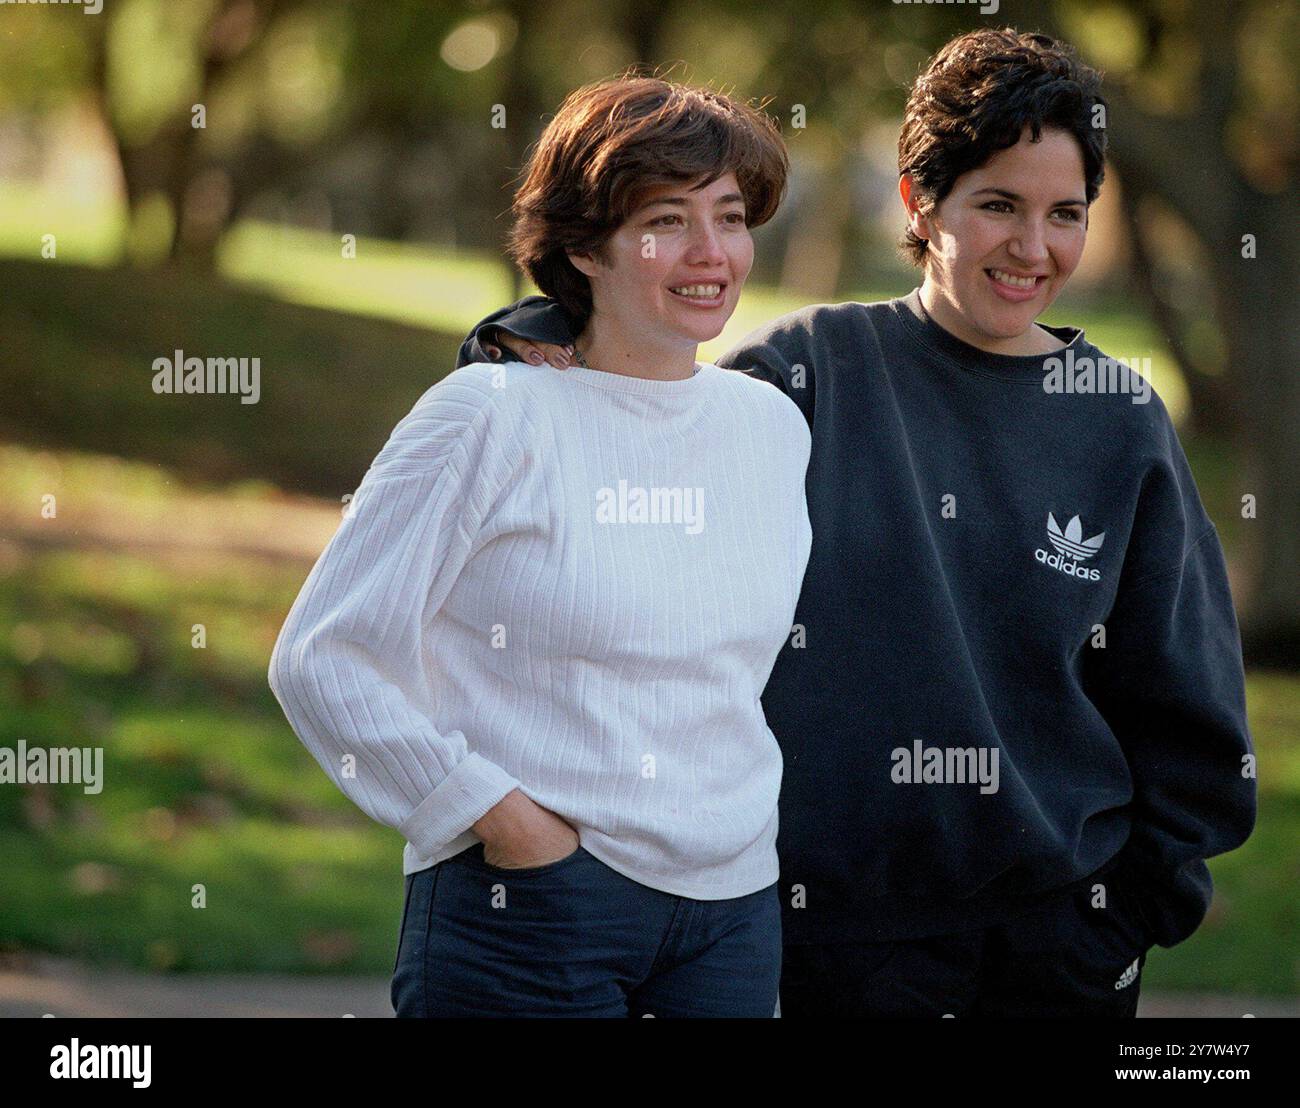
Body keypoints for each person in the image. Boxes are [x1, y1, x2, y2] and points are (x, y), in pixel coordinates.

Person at [457, 29, 1257, 1017]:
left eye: (1066, 214)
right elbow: (617, 456)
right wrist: (532, 336)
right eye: (998, 205)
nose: (1033, 247)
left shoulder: (1118, 419)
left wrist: (1114, 927)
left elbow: (1191, 717)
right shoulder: (809, 372)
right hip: (819, 949)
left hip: (1053, 959)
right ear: (920, 204)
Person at [268, 74, 812, 1017]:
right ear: (581, 247)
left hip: (731, 913)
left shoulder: (770, 426)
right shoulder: (490, 416)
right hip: (532, 906)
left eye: (729, 217)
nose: (710, 253)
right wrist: (495, 817)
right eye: (666, 220)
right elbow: (323, 656)